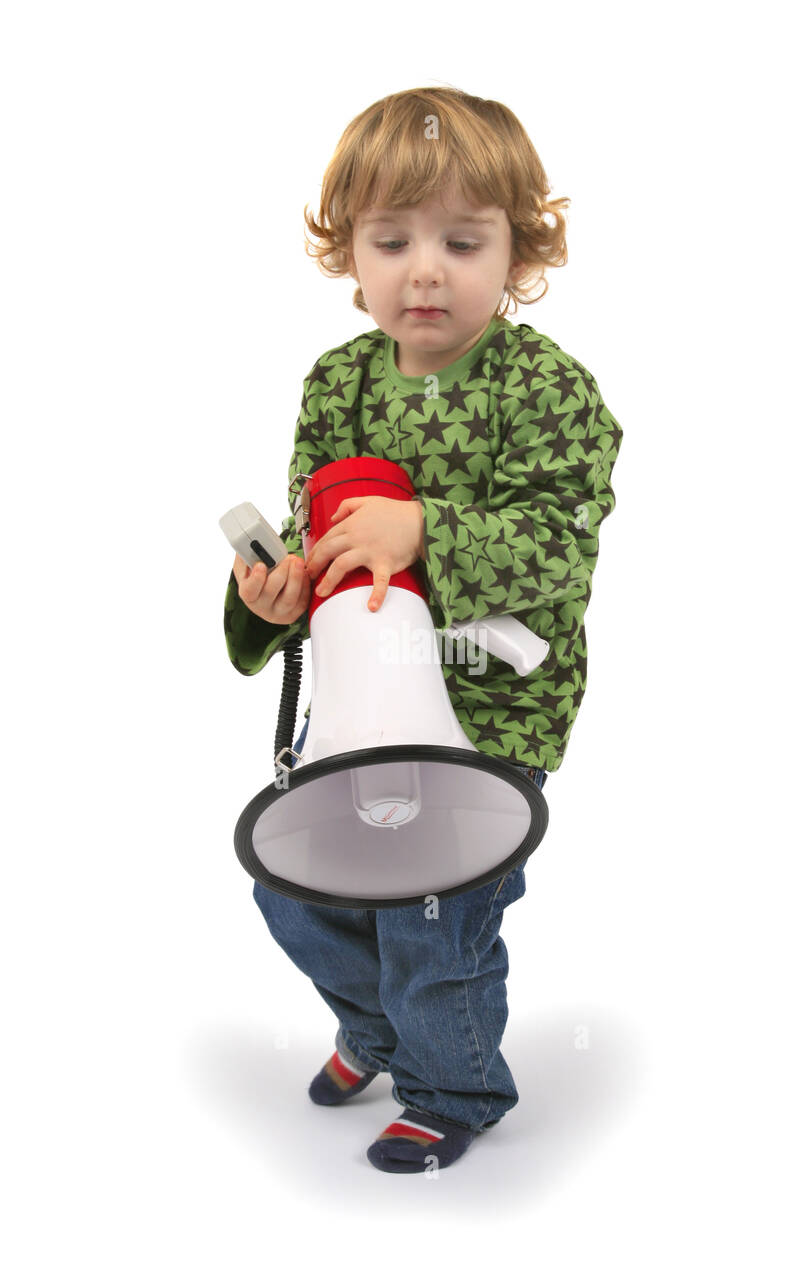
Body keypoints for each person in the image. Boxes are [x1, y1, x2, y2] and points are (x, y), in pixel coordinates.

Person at [223, 85, 623, 1173]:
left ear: (518, 250)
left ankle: (452, 1086)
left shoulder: (543, 388)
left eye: (461, 238)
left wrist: (424, 529)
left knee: (426, 906)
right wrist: (278, 592)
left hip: (487, 709)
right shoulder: (338, 383)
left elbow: (558, 548)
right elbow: (316, 535)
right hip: (359, 703)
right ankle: (375, 1030)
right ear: (348, 254)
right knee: (295, 884)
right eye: (391, 239)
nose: (424, 269)